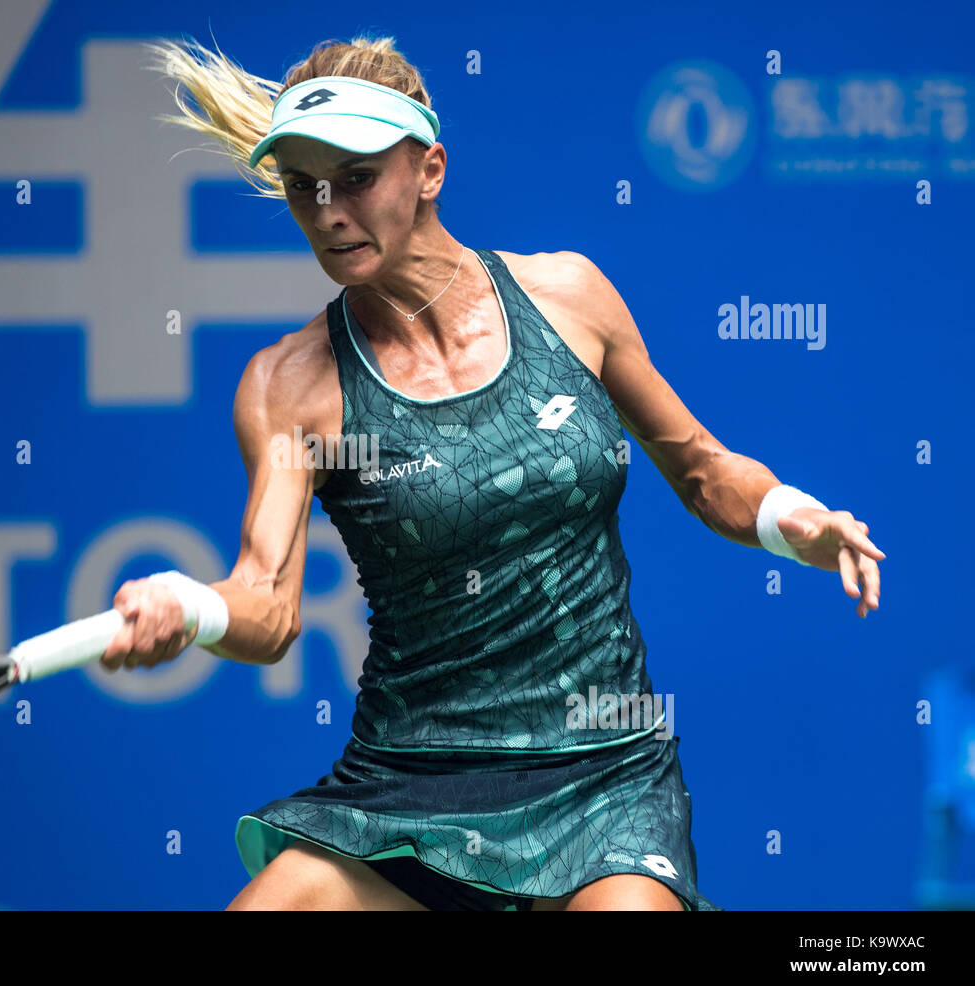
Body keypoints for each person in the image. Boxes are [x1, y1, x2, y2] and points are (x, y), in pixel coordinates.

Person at [97, 35, 886, 911]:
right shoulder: (289, 385)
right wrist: (193, 605)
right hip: (405, 784)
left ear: (428, 169)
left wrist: (794, 517)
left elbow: (702, 472)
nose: (327, 211)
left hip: (603, 772)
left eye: (355, 178)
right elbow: (268, 601)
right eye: (302, 186)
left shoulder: (569, 298)